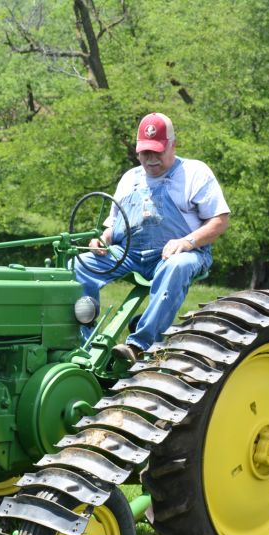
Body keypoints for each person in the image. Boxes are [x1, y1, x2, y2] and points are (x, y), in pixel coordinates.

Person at [75, 112, 230, 363]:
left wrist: (186, 241)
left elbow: (220, 221)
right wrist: (102, 240)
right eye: (145, 152)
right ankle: (83, 343)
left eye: (157, 151)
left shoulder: (195, 173)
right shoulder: (130, 178)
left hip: (182, 253)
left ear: (173, 145)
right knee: (78, 265)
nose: (151, 158)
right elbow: (113, 225)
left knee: (176, 267)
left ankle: (139, 345)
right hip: (129, 253)